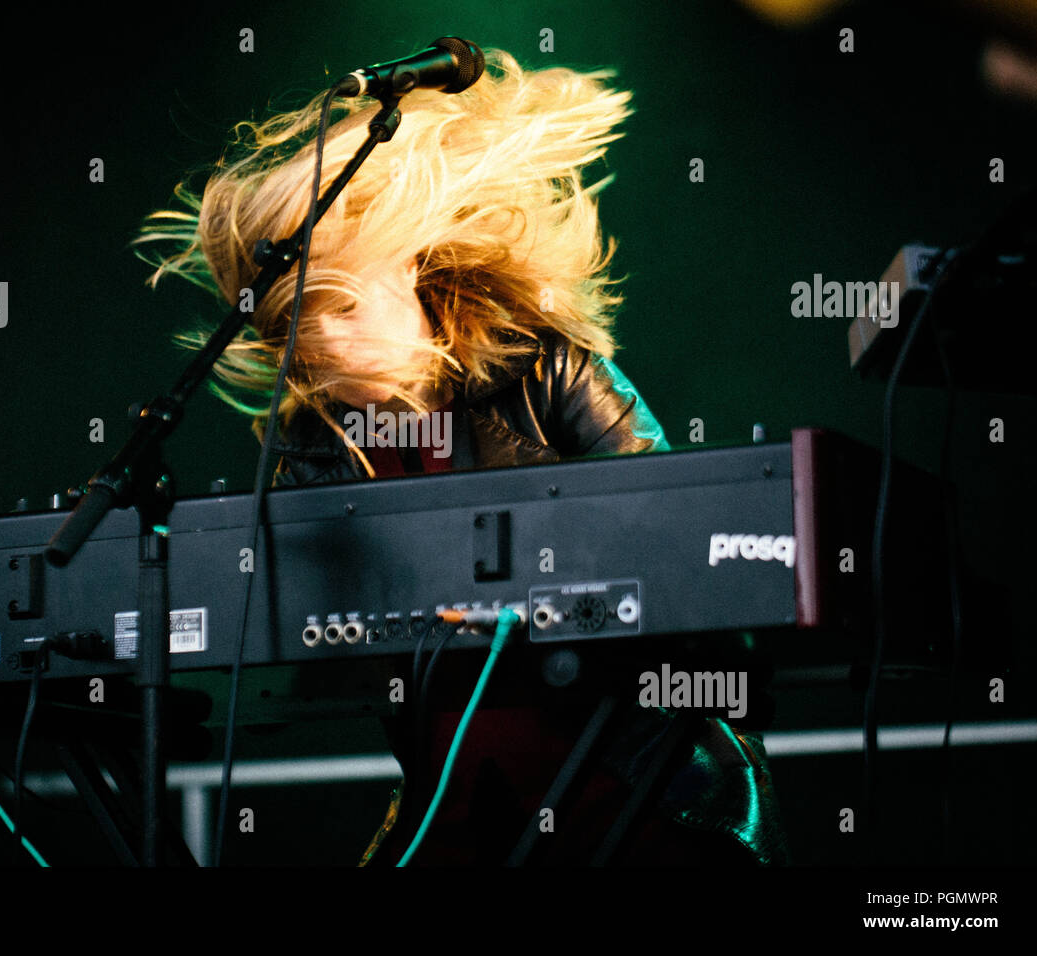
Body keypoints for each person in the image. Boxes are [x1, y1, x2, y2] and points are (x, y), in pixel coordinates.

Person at [136, 48, 788, 865]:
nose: (320, 343)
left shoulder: (548, 371)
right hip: (464, 807)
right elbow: (321, 645)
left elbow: (700, 577)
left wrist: (534, 610)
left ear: (408, 264)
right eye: (293, 328)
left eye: (338, 304)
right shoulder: (314, 437)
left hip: (641, 793)